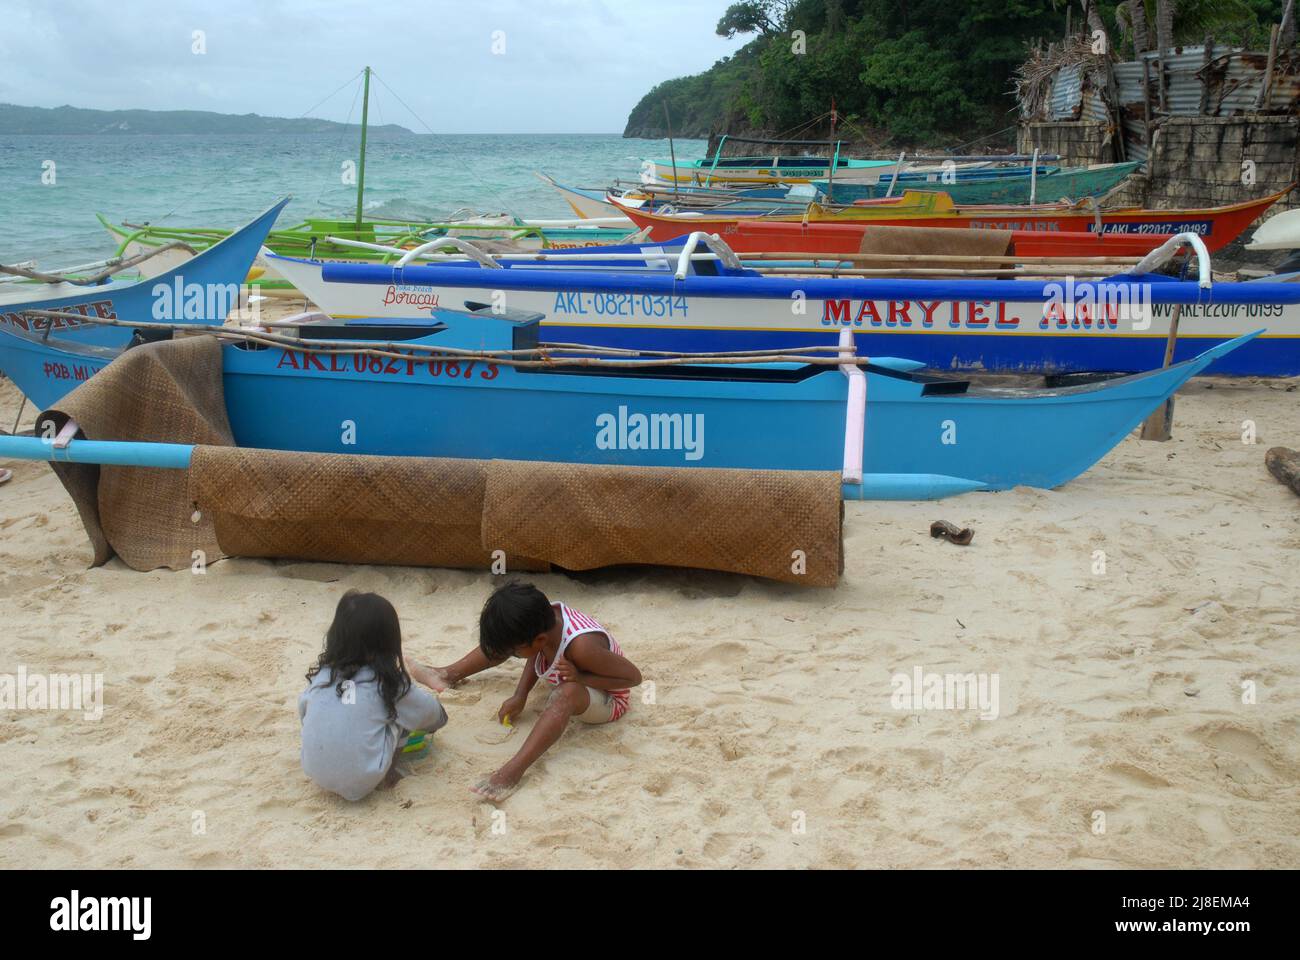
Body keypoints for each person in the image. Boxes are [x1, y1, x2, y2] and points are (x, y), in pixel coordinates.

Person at [418, 581, 641, 803]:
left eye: (515, 653)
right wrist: (520, 695)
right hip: (573, 674)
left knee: (565, 694)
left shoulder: (583, 648)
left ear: (540, 640)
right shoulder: (544, 622)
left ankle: (514, 770)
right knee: (505, 640)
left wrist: (579, 677)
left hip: (609, 697)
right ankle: (447, 675)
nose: (512, 656)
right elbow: (538, 651)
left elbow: (632, 678)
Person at [299, 591, 447, 801]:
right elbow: (431, 715)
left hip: (315, 771)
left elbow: (304, 711)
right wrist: (439, 718)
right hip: (365, 777)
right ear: (388, 642)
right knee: (400, 714)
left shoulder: (323, 675)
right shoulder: (388, 682)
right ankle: (388, 775)